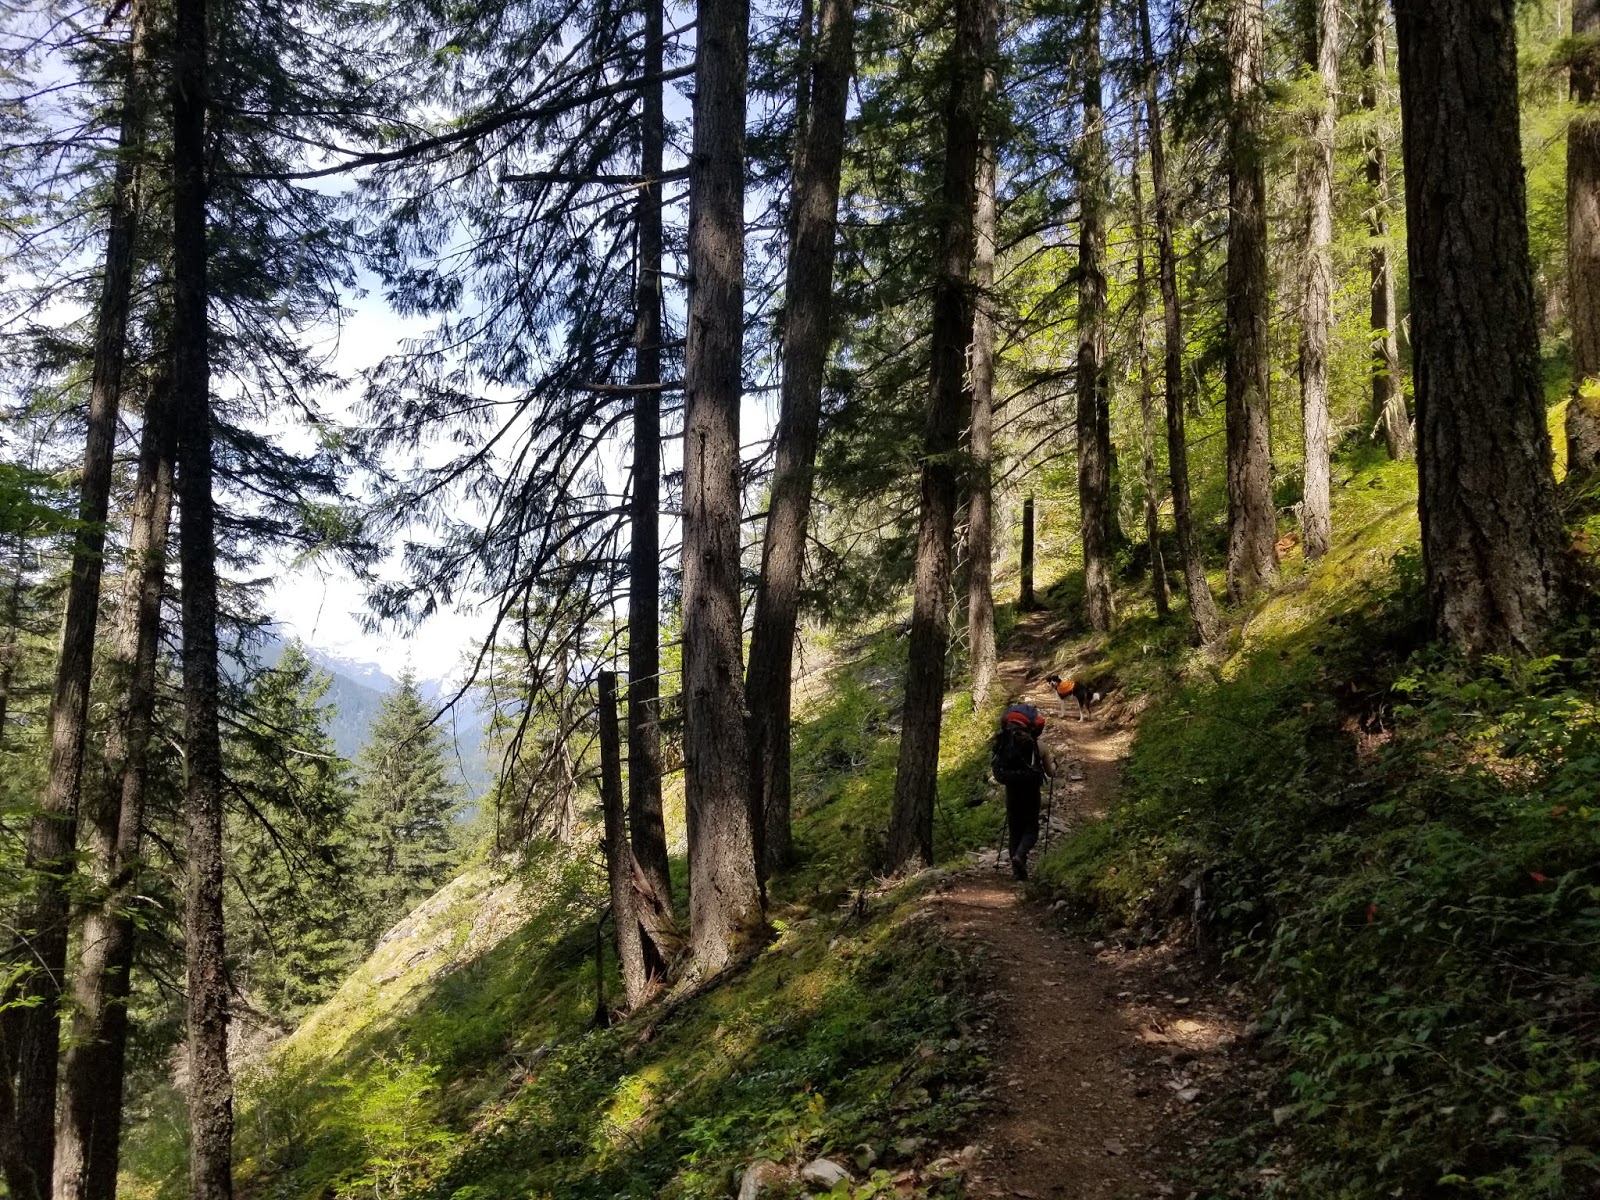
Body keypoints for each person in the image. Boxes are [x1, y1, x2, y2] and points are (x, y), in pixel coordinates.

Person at [990, 703, 1055, 880]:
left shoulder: (1005, 743)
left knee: (1015, 828)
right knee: (1031, 827)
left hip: (1012, 788)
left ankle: (1018, 869)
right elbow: (1050, 772)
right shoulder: (1039, 746)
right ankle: (1020, 856)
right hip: (1031, 790)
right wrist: (1054, 764)